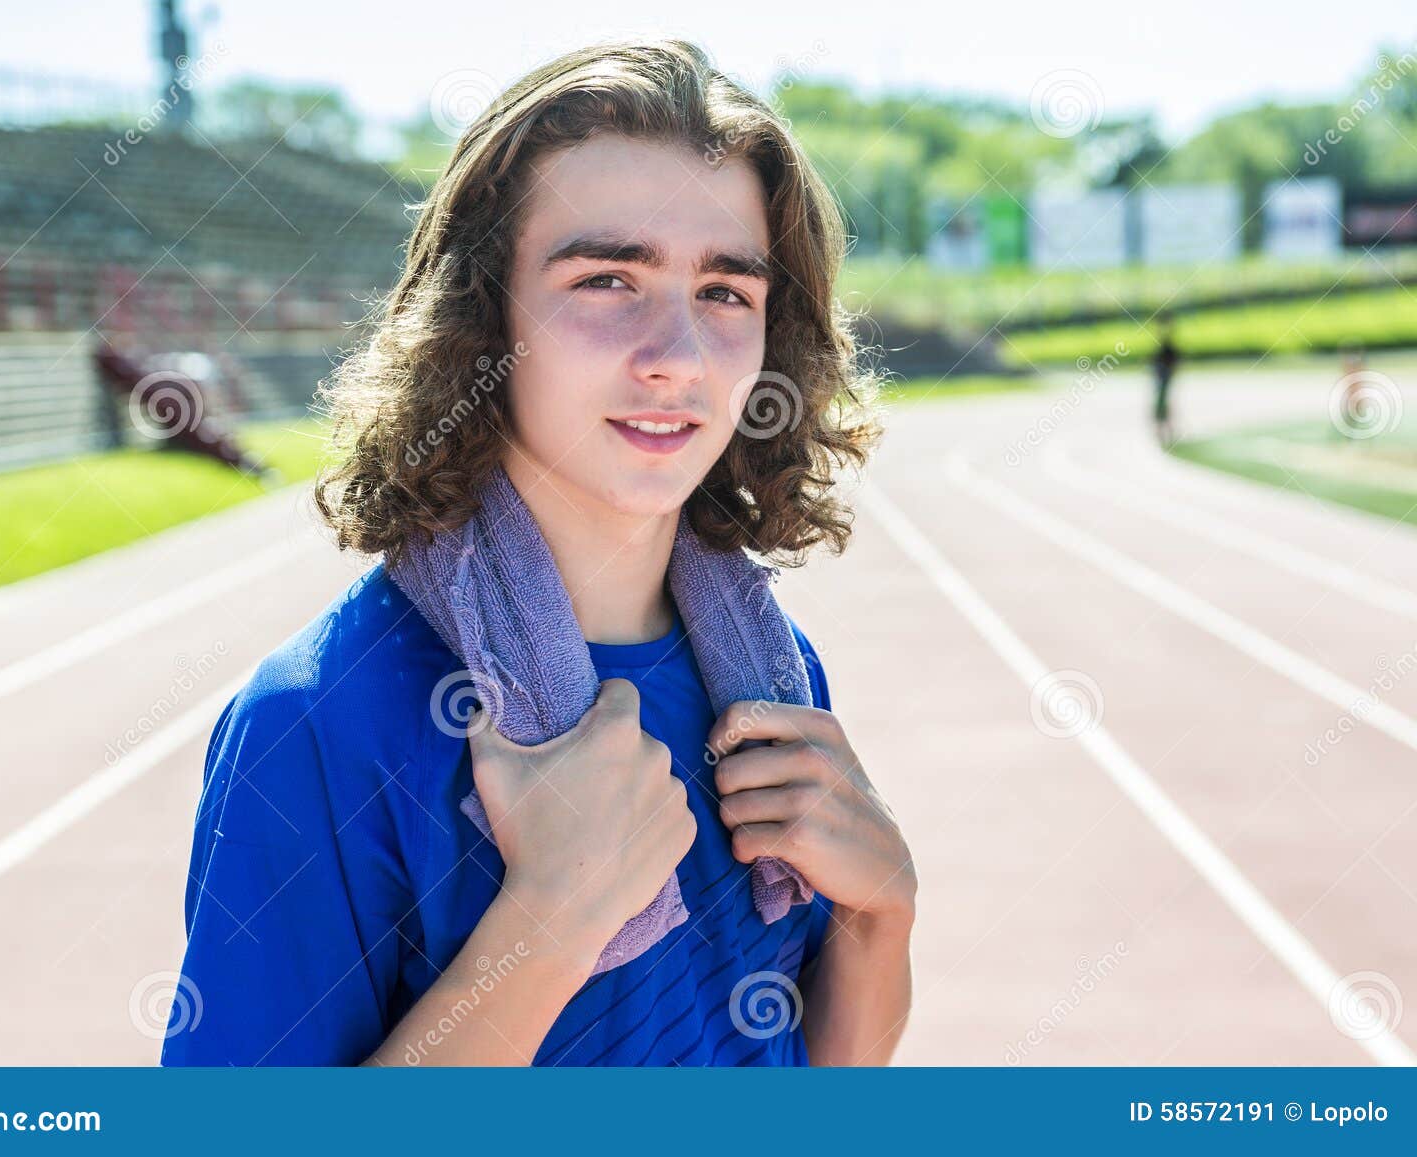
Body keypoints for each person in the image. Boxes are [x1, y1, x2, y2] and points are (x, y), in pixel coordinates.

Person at [161, 37, 915, 1068]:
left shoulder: (772, 674)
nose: (677, 357)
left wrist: (881, 917)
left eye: (725, 292)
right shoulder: (319, 719)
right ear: (478, 324)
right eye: (608, 279)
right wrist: (551, 919)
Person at [1152, 316, 1180, 447]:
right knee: (1162, 404)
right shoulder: (1164, 348)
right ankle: (1165, 430)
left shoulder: (1167, 348)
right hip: (1163, 379)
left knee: (1162, 404)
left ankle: (1165, 430)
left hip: (1164, 379)